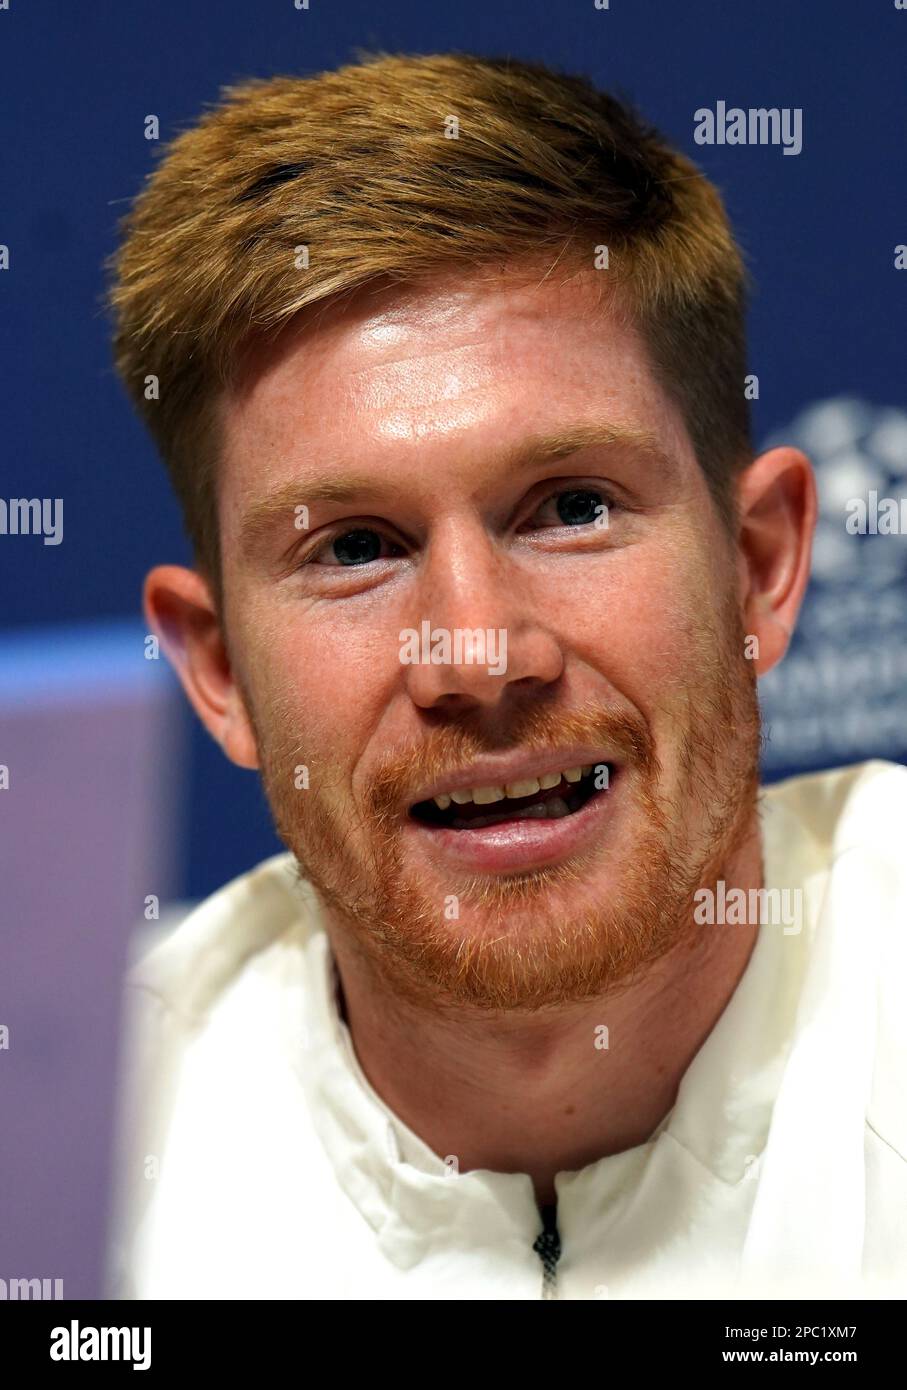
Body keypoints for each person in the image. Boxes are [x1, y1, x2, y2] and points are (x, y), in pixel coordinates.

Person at [105, 52, 906, 1300]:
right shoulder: (64, 1178)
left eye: (570, 507)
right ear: (217, 670)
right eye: (354, 548)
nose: (478, 655)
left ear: (757, 568)